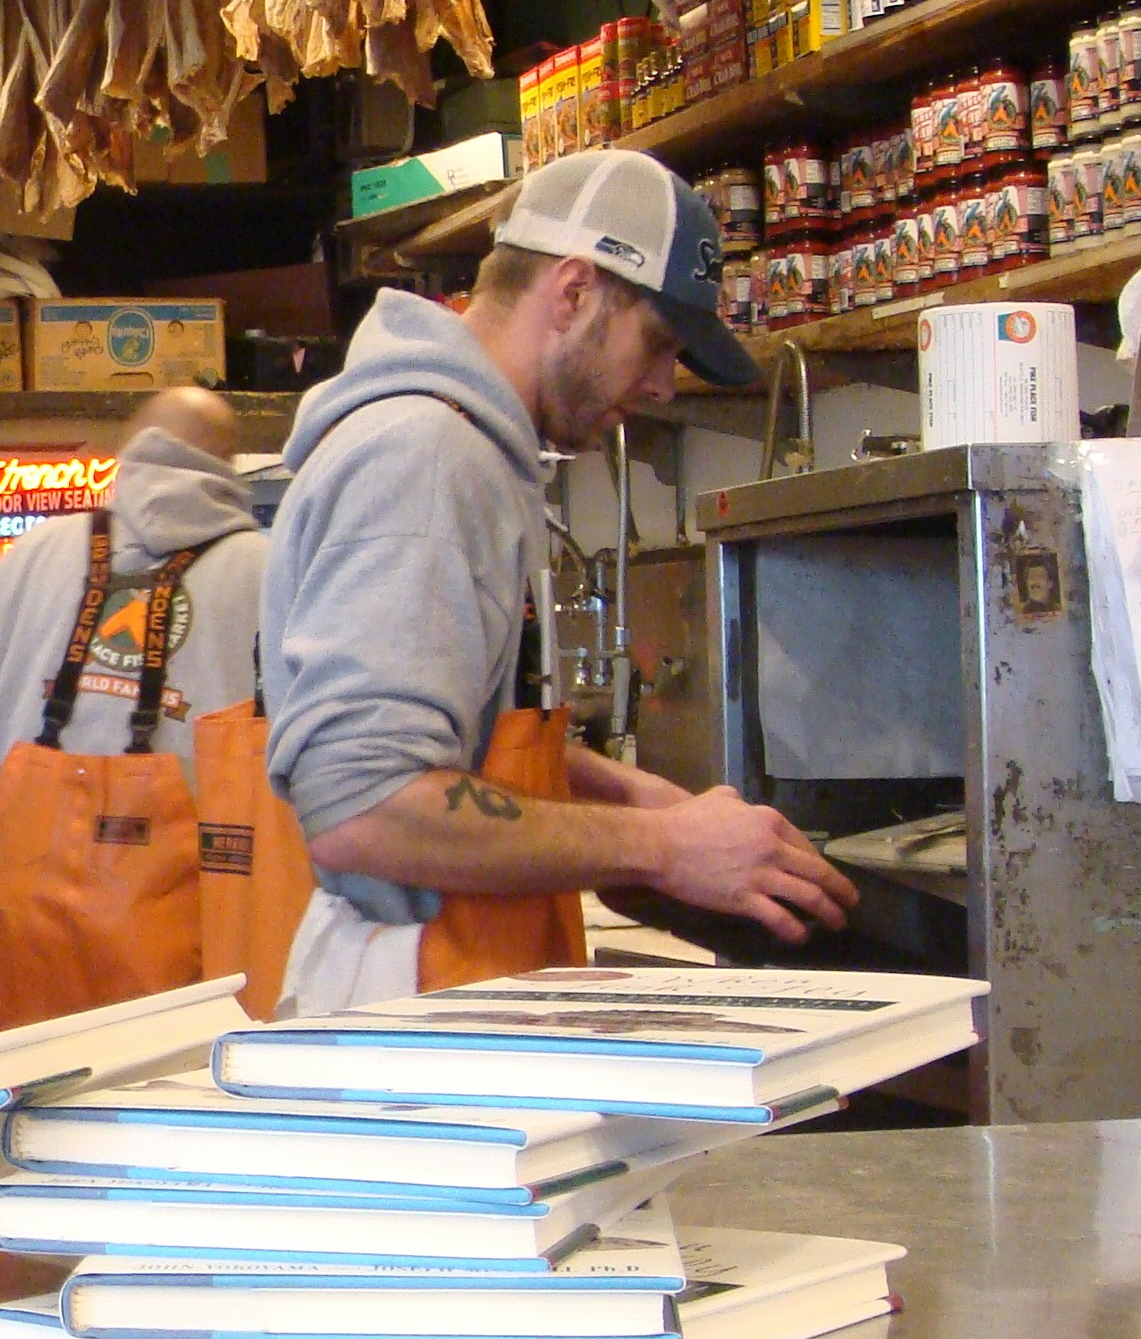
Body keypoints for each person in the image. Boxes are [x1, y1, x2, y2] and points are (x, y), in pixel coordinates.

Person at [260, 147, 855, 1015]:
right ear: (572, 294)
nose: (661, 385)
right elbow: (367, 804)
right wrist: (660, 846)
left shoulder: (453, 442)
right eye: (657, 343)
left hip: (434, 981)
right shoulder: (427, 455)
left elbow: (441, 743)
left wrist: (610, 788)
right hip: (408, 1001)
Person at [0, 387, 268, 1028]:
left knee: (12, 1113)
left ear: (127, 457)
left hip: (17, 936)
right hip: (194, 951)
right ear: (230, 467)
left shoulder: (39, 553)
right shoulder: (272, 574)